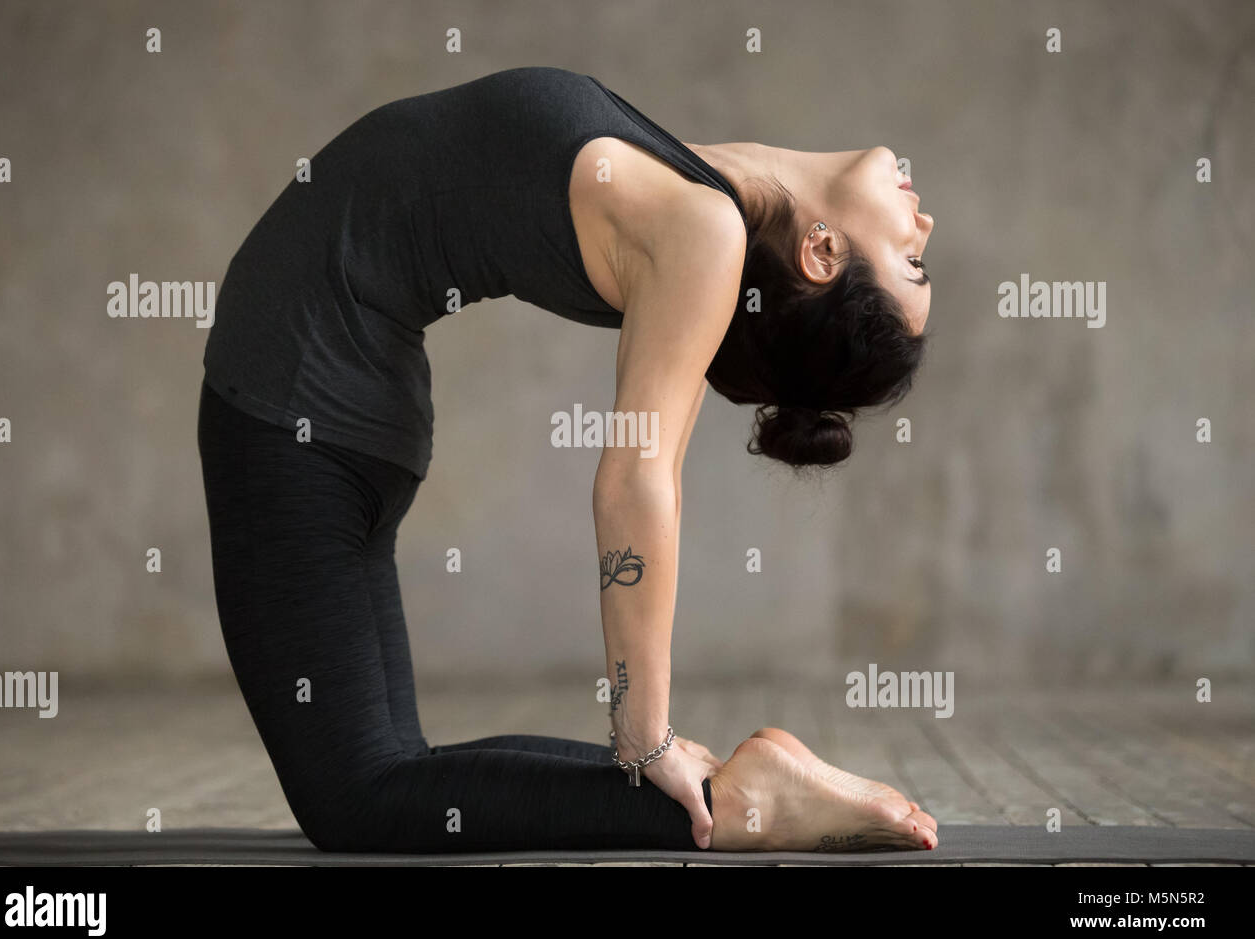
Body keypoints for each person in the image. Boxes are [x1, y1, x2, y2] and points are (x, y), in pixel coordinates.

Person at [197, 66, 938, 853]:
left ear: (823, 254)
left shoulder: (701, 231)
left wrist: (645, 734)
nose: (924, 227)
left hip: (295, 400)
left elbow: (642, 479)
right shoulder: (692, 203)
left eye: (913, 265)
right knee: (387, 773)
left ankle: (736, 804)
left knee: (359, 798)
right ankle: (735, 792)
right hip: (339, 405)